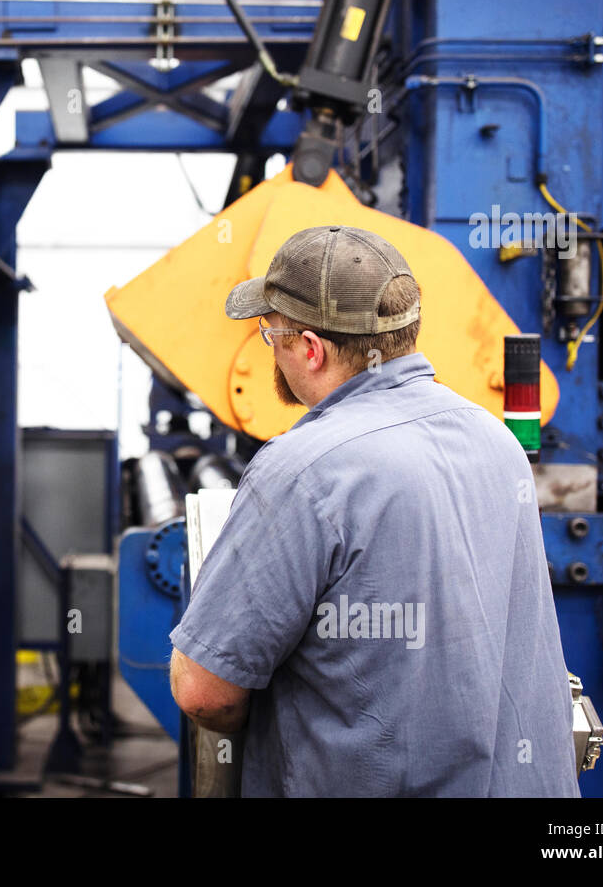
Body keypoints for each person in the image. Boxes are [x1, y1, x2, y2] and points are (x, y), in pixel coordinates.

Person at [169, 224, 579, 797]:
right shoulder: (497, 442)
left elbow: (204, 691)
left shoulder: (304, 469)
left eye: (272, 335)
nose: (273, 349)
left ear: (310, 349)